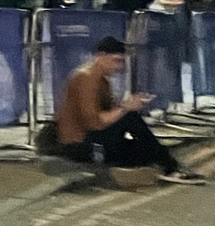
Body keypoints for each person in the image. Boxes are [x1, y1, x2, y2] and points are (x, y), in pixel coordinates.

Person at [55, 36, 205, 183]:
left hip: (94, 140)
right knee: (130, 117)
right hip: (80, 146)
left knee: (146, 149)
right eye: (116, 61)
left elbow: (110, 113)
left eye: (121, 62)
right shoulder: (86, 78)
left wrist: (130, 104)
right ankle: (170, 168)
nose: (118, 67)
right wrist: (126, 107)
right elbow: (96, 122)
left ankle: (166, 166)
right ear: (101, 56)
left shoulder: (101, 79)